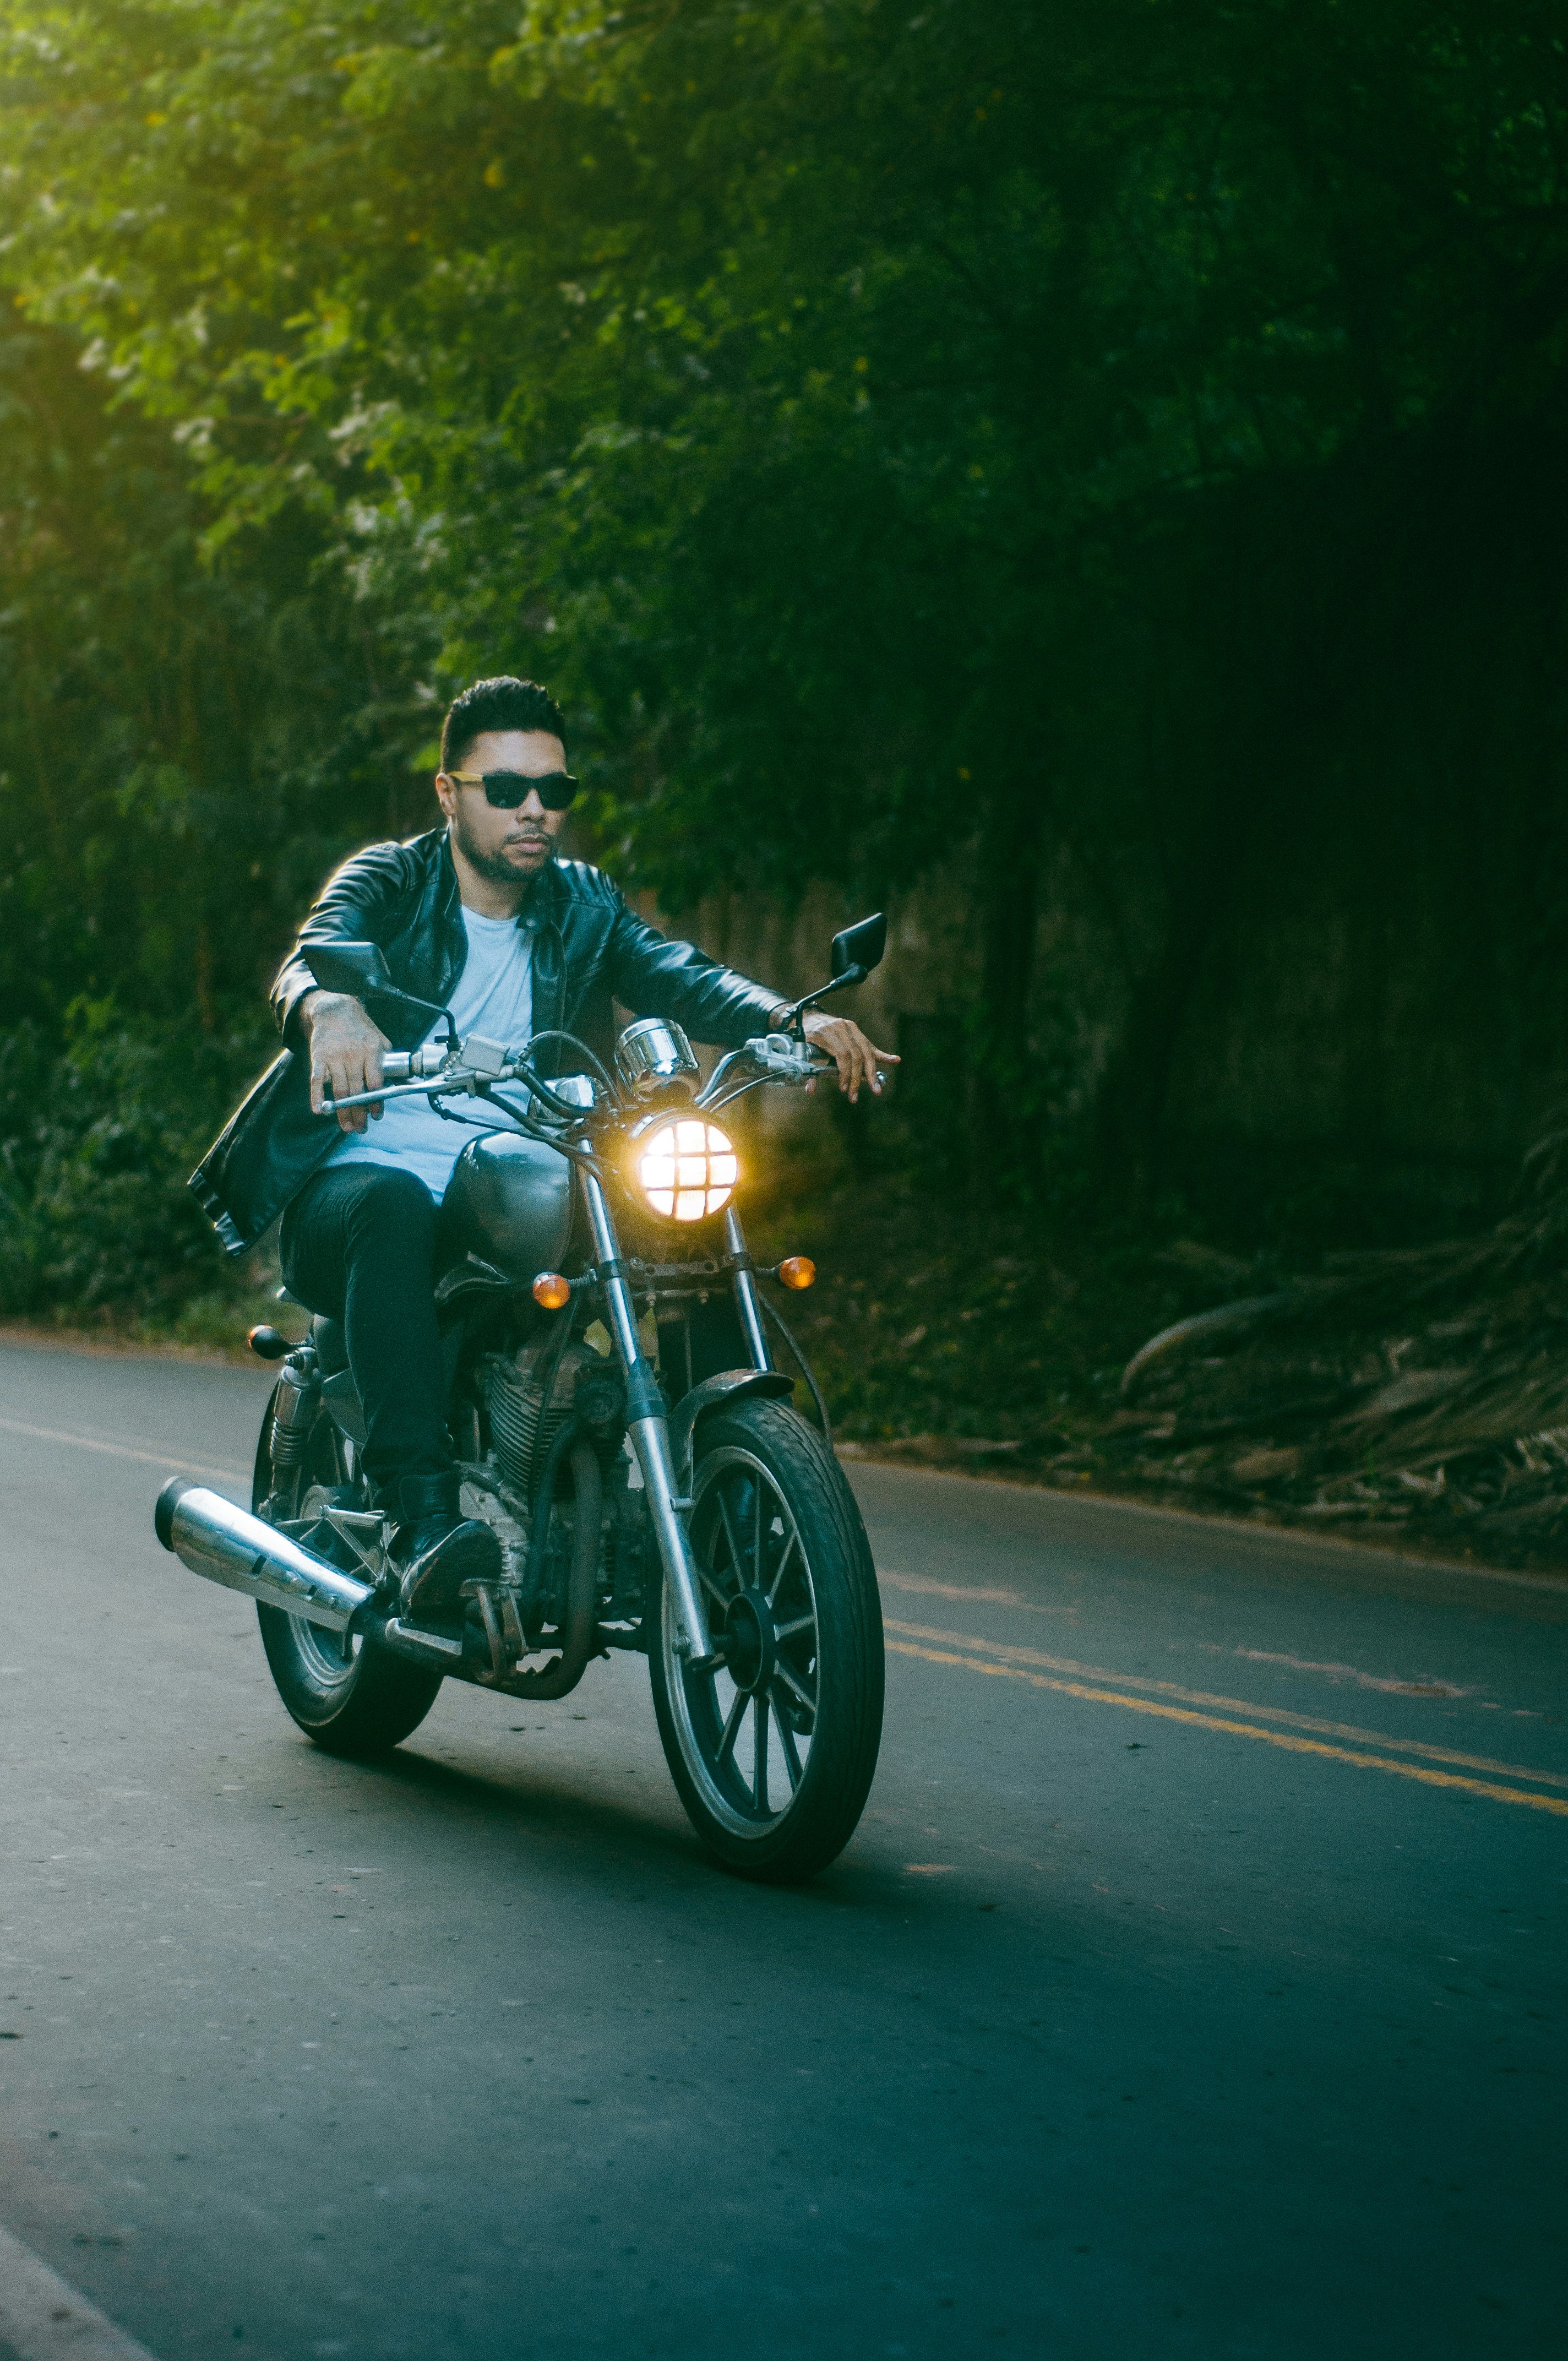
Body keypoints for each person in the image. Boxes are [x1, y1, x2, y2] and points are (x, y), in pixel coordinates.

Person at [191, 674, 896, 1624]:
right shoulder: (392, 881)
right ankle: (425, 1523)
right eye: (507, 788)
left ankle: (750, 1526)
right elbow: (316, 952)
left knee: (681, 1222)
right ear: (449, 794)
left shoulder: (581, 904)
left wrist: (784, 1018)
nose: (535, 810)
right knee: (392, 1206)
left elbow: (671, 969)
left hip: (521, 1184)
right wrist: (333, 1010)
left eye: (553, 791)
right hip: (357, 1188)